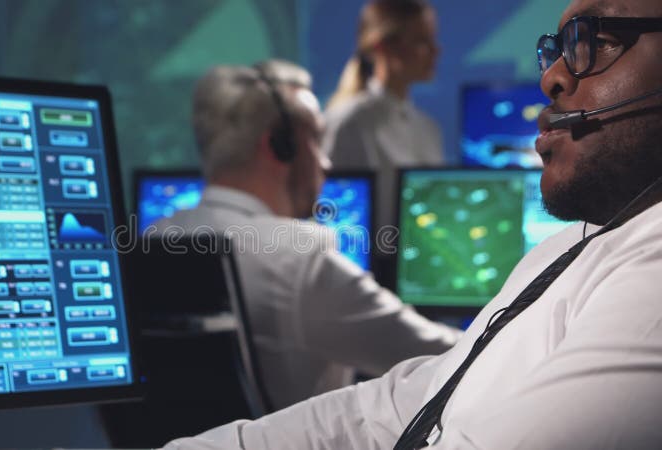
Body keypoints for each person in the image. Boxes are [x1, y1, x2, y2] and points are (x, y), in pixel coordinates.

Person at [163, 0, 662, 447]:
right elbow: (412, 392)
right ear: (284, 148)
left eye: (598, 40)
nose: (550, 77)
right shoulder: (558, 252)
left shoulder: (152, 242)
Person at [152, 59, 461, 411]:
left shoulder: (154, 240)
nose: (326, 163)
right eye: (315, 138)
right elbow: (445, 355)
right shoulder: (300, 258)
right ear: (279, 146)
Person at [322, 0, 444, 235]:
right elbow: (333, 211)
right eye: (421, 41)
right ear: (383, 47)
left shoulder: (428, 128)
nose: (435, 50)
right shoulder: (347, 123)